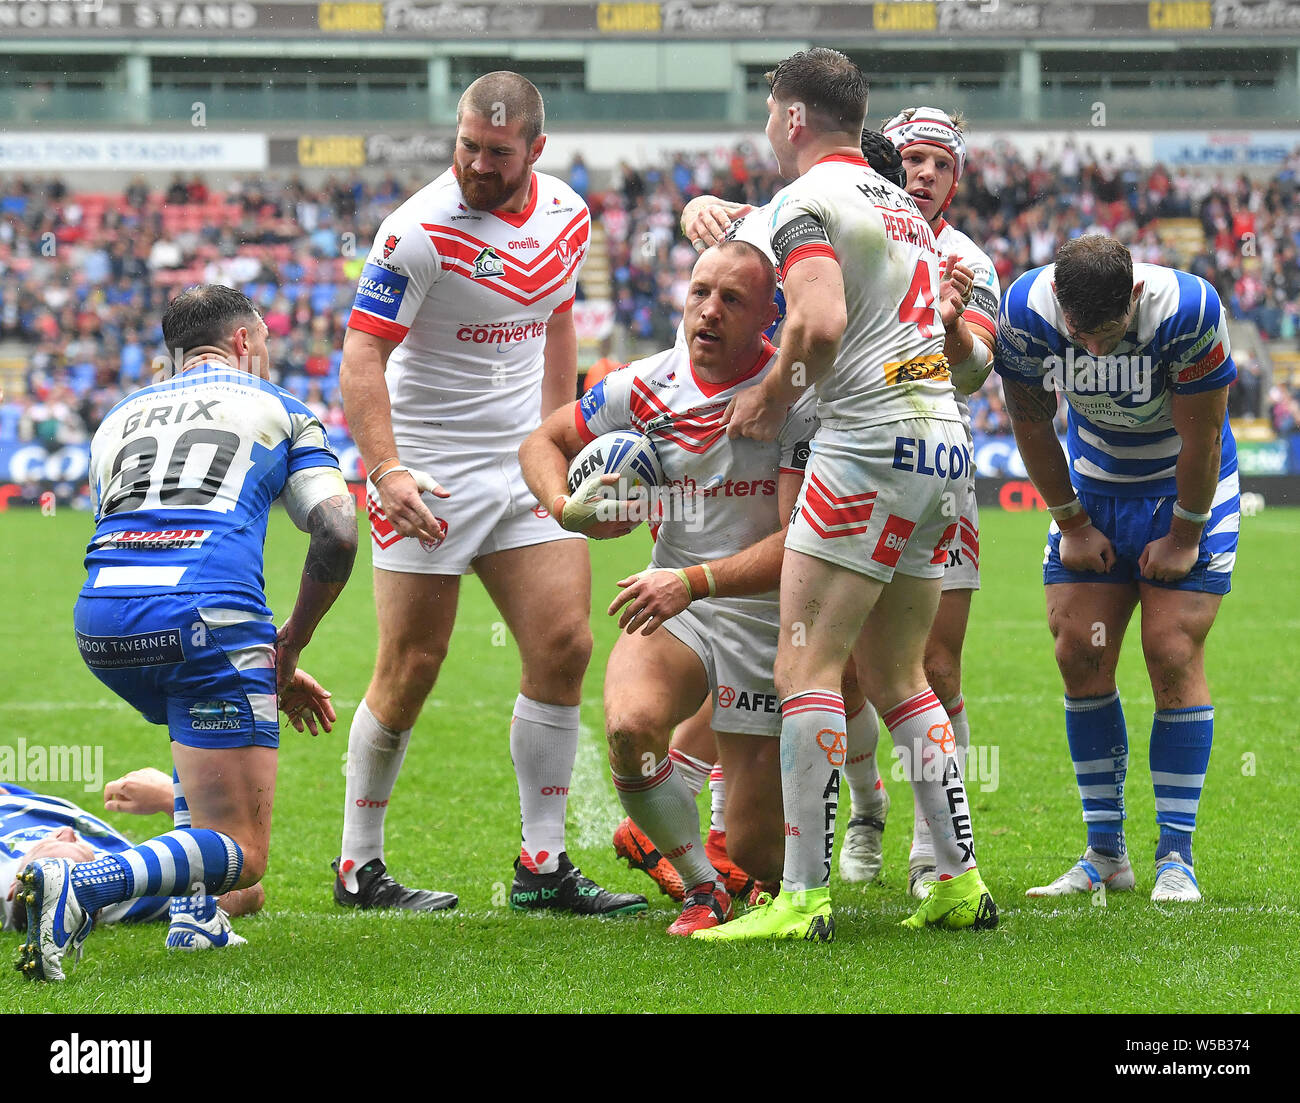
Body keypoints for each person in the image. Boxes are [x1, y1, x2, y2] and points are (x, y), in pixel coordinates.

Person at [699, 48, 998, 942]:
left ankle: (800, 895)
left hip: (864, 444)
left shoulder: (806, 201)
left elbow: (819, 320)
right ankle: (956, 879)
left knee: (806, 668)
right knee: (902, 676)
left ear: (791, 119)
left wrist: (770, 394)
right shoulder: (900, 204)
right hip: (942, 445)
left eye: (769, 113)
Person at [338, 71, 645, 916]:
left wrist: (560, 438)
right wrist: (387, 469)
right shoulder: (416, 230)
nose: (476, 162)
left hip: (519, 468)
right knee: (411, 667)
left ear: (535, 150)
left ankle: (542, 864)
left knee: (564, 644)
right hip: (427, 470)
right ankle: (358, 866)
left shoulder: (569, 215)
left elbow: (555, 316)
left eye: (496, 152)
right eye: (467, 145)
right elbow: (361, 358)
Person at [17, 284, 354, 982]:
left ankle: (196, 915)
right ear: (242, 343)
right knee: (244, 851)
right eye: (263, 343)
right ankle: (80, 884)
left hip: (102, 619)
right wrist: (283, 647)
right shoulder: (281, 408)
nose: (267, 356)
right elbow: (338, 531)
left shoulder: (117, 416)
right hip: (207, 614)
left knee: (195, 717)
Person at [611, 128, 909, 906]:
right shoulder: (803, 219)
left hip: (885, 448)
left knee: (877, 668)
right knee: (838, 663)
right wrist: (703, 209)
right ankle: (717, 829)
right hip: (824, 448)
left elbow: (945, 358)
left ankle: (875, 809)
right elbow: (724, 228)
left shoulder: (922, 250)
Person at [520, 240, 817, 935]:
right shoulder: (645, 384)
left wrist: (694, 580)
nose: (708, 311)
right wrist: (568, 509)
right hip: (676, 601)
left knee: (759, 854)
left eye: (731, 299)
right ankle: (701, 886)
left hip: (767, 615)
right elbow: (541, 442)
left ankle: (756, 851)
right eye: (698, 293)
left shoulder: (791, 396)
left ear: (769, 313)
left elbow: (798, 541)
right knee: (629, 726)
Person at [995, 234, 1238, 903]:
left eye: (1108, 334)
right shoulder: (1025, 312)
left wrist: (1185, 535)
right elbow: (1030, 419)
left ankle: (1176, 856)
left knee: (1170, 649)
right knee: (1079, 651)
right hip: (1095, 486)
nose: (1095, 352)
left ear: (1134, 294)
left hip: (1184, 487)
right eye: (1083, 336)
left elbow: (1204, 436)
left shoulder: (1189, 310)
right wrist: (1073, 521)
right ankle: (1105, 852)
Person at [826, 107, 1001, 894]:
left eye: (940, 164)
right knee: (844, 671)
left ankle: (937, 851)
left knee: (936, 666)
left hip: (937, 472)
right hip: (846, 457)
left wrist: (954, 325)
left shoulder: (970, 259)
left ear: (956, 181)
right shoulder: (851, 226)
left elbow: (973, 374)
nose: (925, 173)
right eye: (914, 159)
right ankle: (866, 810)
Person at [4, 768, 266, 944]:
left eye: (48, 845)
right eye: (85, 853)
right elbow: (248, 886)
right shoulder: (123, 895)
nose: (67, 832)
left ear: (15, 886)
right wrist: (173, 800)